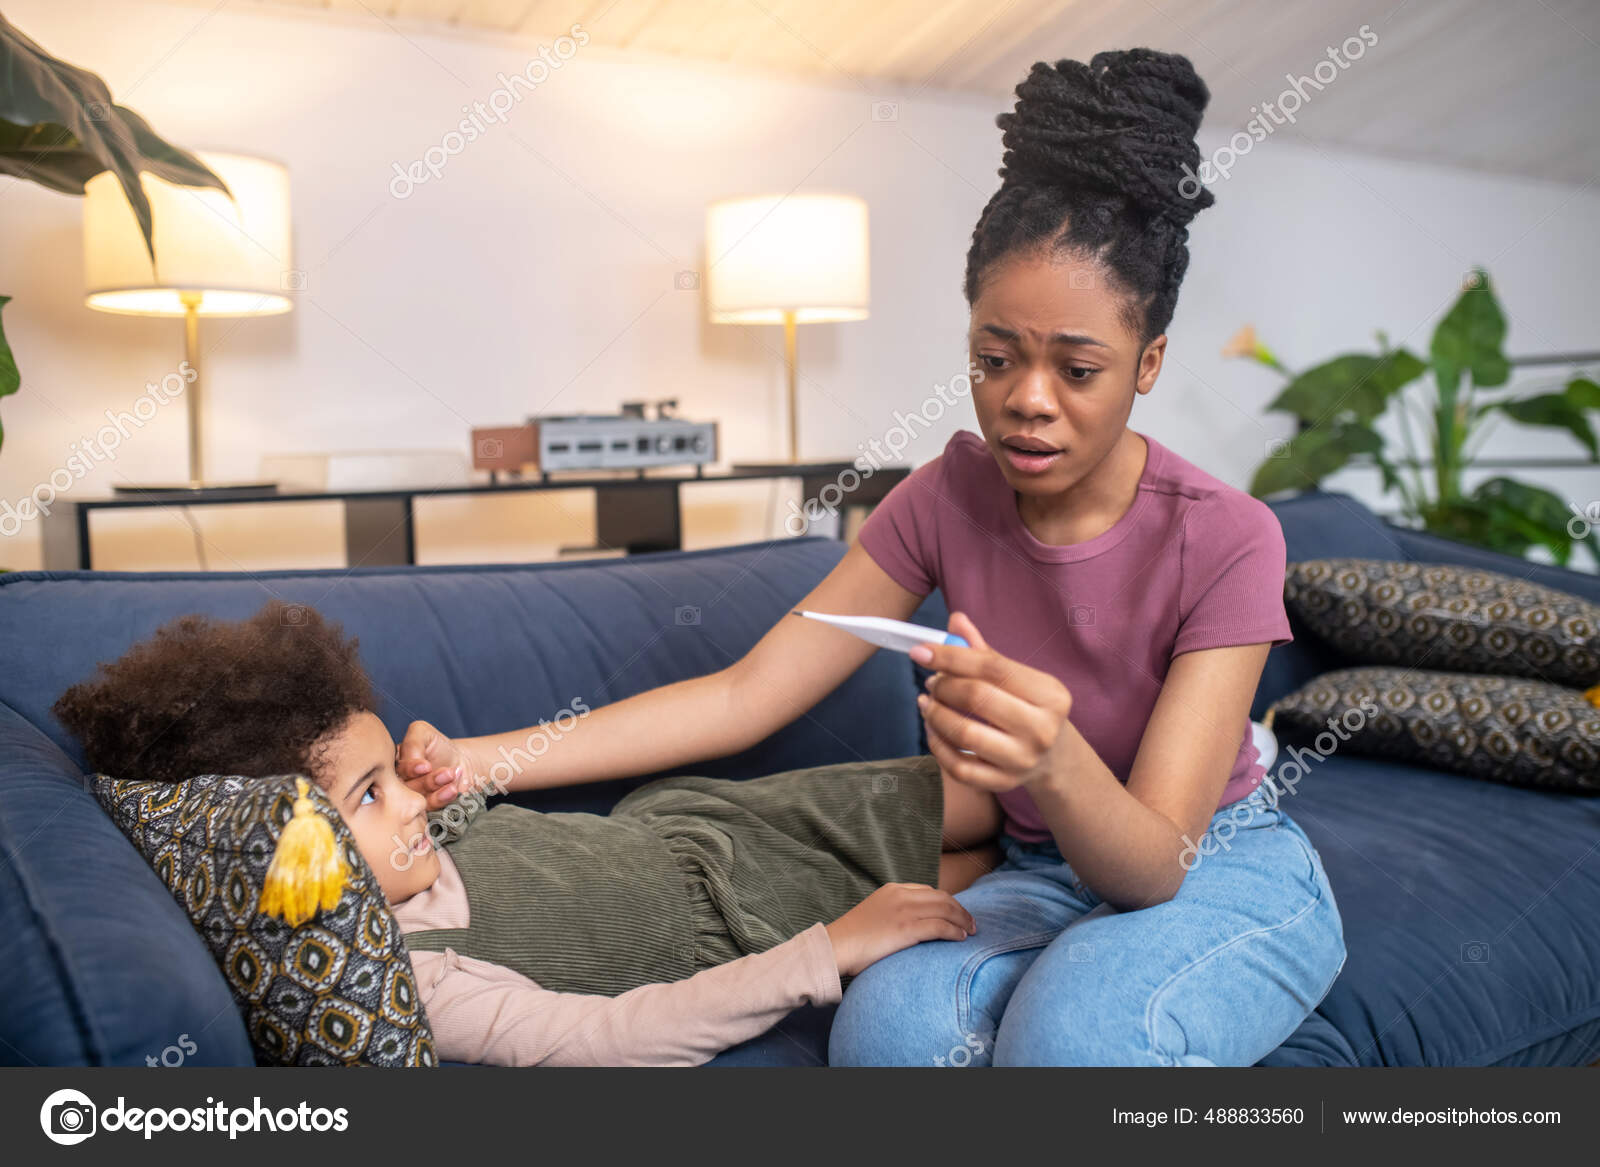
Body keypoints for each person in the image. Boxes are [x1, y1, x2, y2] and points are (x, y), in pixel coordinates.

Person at [400, 48, 1347, 1067]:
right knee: (885, 1034)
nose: (1027, 397)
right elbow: (743, 695)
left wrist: (1051, 759)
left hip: (1212, 864)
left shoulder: (1227, 535)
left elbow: (1154, 865)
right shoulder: (946, 495)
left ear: (1147, 362)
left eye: (1077, 368)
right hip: (1036, 863)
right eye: (993, 357)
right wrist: (477, 762)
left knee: (1074, 1040)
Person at [52, 600, 1002, 1066]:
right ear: (293, 855)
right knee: (977, 879)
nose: (409, 805)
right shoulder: (418, 980)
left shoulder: (409, 850)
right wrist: (827, 951)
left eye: (390, 780)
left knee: (990, 800)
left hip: (704, 820)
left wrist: (432, 766)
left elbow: (447, 790)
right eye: (371, 796)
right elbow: (612, 1035)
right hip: (750, 919)